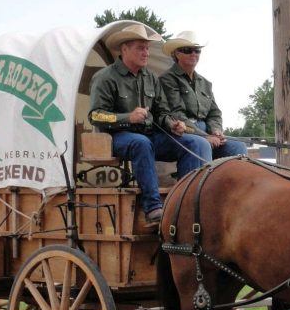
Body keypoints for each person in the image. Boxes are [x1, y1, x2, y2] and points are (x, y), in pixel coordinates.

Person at [89, 23, 212, 223]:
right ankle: (153, 207)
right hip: (117, 137)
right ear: (124, 49)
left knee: (194, 142)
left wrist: (172, 124)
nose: (146, 52)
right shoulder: (106, 77)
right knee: (141, 143)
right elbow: (96, 115)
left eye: (147, 48)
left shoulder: (150, 78)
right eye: (140, 47)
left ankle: (186, 205)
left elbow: (161, 112)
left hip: (149, 136)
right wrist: (127, 117)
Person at [159, 31, 248, 159]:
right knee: (201, 144)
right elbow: (176, 114)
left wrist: (216, 130)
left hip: (206, 131)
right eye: (188, 50)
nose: (194, 54)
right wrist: (205, 136)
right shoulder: (167, 79)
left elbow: (214, 113)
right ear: (177, 53)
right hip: (183, 131)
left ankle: (231, 179)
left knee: (238, 146)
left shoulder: (205, 83)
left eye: (197, 50)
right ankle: (203, 178)